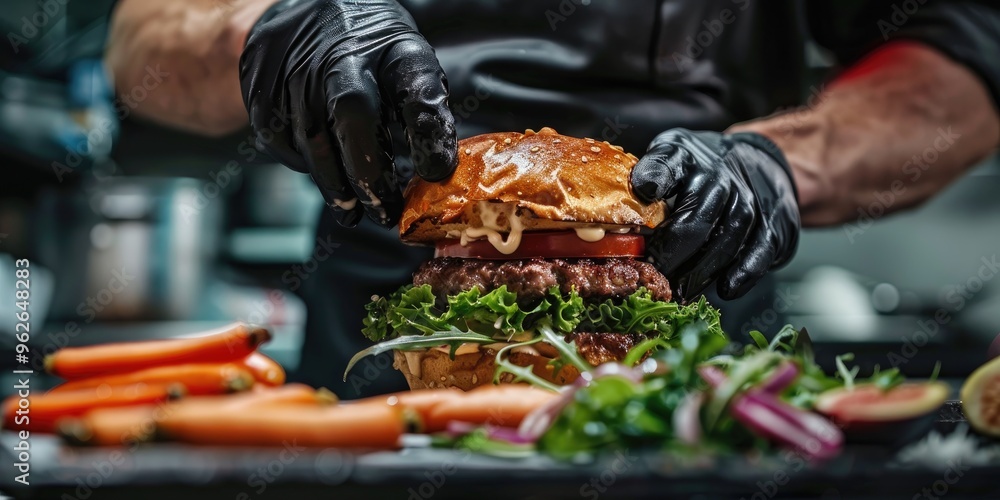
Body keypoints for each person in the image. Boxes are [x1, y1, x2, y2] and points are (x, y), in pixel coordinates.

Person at [103, 0, 1000, 396]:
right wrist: (263, 31)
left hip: (695, 324)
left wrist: (776, 164)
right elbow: (137, 42)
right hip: (386, 343)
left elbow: (970, 51)